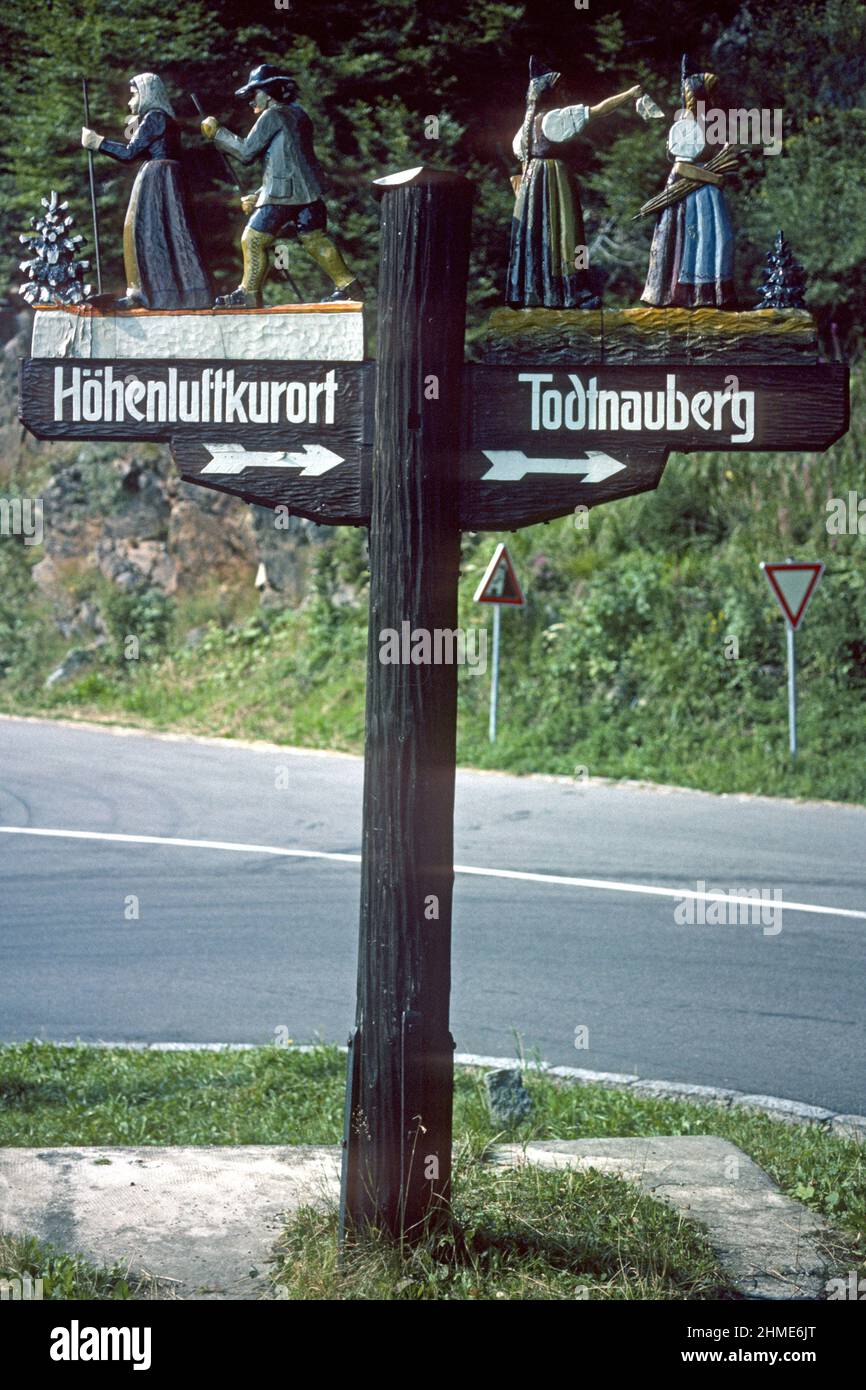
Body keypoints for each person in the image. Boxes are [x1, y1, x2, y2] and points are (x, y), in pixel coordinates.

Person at [201, 64, 362, 308]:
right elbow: (290, 162)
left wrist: (217, 133)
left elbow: (246, 153)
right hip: (310, 190)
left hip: (284, 194)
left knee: (252, 240)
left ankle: (249, 294)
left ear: (267, 93)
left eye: (253, 94)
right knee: (315, 239)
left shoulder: (273, 115)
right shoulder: (299, 114)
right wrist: (259, 195)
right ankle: (350, 287)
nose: (250, 101)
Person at [507, 58, 642, 309]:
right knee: (568, 232)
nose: (565, 92)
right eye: (561, 88)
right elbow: (600, 110)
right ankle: (573, 290)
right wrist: (630, 94)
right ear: (551, 92)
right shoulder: (554, 119)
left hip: (531, 182)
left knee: (538, 236)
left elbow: (521, 155)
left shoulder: (524, 129)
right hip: (553, 178)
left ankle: (534, 290)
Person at [81, 73, 211, 310]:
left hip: (157, 179)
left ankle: (148, 293)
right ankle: (164, 292)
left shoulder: (155, 117)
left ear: (147, 94)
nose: (131, 102)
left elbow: (130, 153)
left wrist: (98, 142)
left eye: (134, 95)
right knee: (164, 233)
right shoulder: (165, 120)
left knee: (146, 233)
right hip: (166, 178)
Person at [641, 63, 735, 308]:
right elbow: (681, 168)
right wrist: (713, 177)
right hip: (690, 191)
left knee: (716, 239)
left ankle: (710, 294)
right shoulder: (686, 125)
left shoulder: (709, 123)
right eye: (712, 93)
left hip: (706, 191)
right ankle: (687, 294)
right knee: (693, 239)